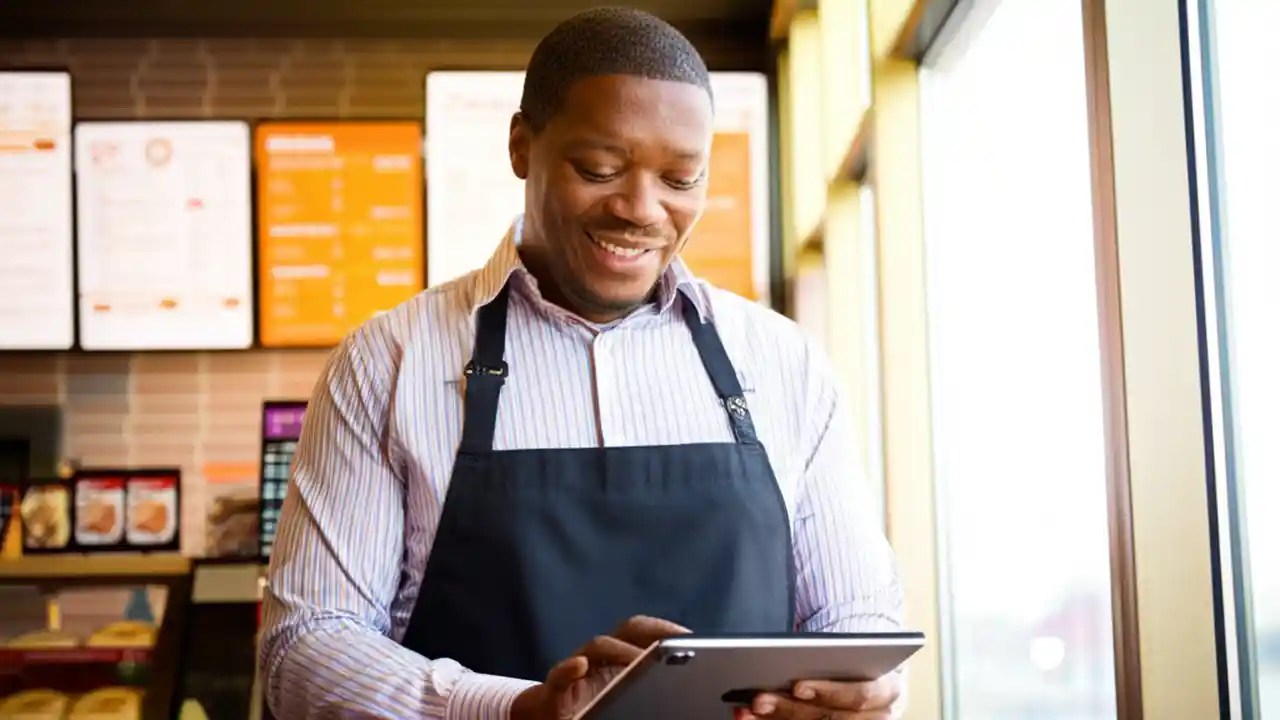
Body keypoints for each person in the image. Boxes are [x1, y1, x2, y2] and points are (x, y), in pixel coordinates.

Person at [259, 7, 906, 720]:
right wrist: (517, 709)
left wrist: (863, 690)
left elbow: (859, 620)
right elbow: (304, 649)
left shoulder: (784, 363)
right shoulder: (386, 363)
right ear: (520, 146)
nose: (640, 208)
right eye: (599, 169)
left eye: (681, 180)